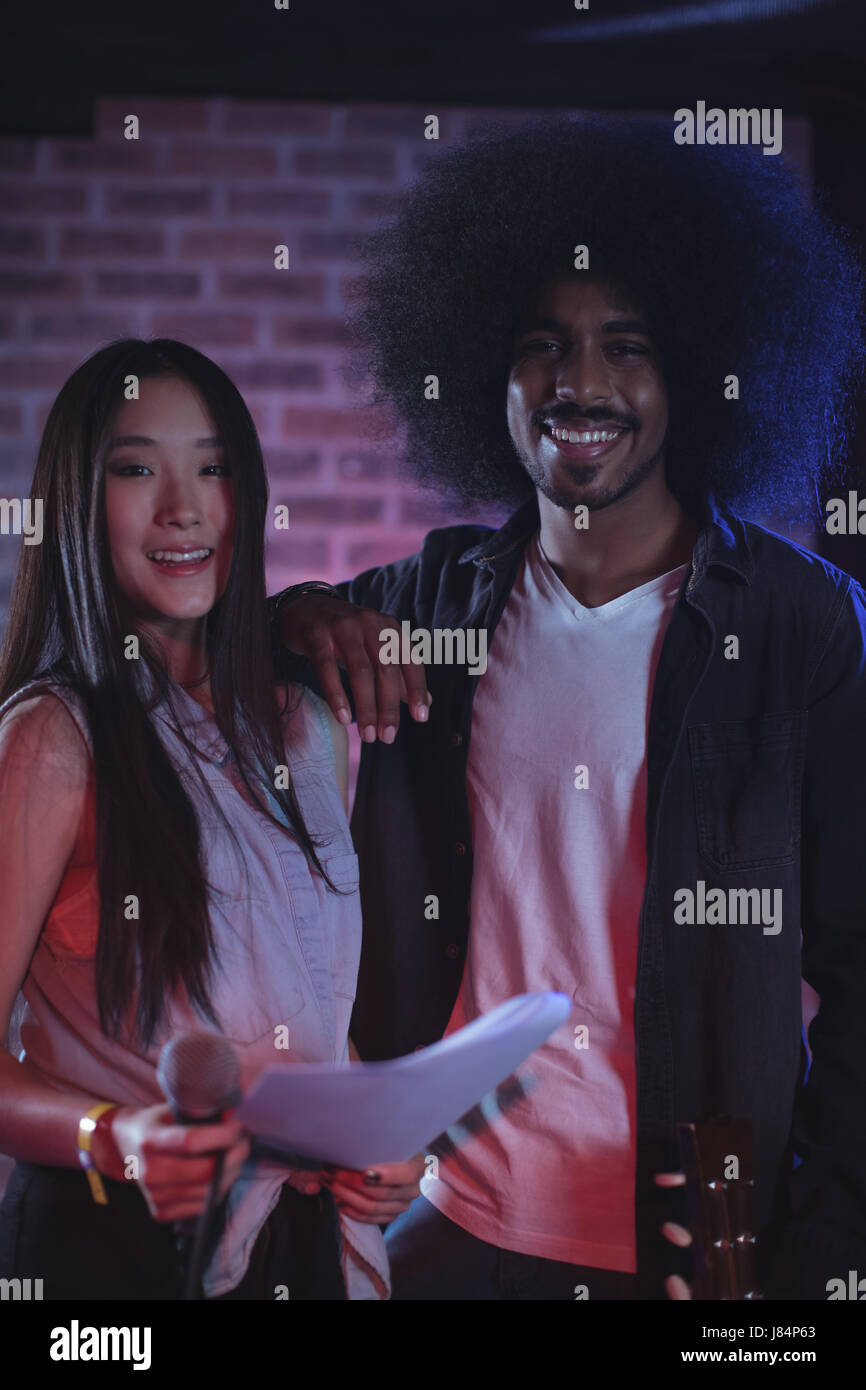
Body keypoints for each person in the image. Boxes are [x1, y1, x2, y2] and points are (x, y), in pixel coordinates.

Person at [271, 117, 866, 1300]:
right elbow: (212, 638)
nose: (579, 383)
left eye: (624, 346)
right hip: (443, 1226)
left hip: (691, 1260)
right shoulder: (434, 598)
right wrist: (296, 616)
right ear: (487, 371)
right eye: (542, 345)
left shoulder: (805, 629)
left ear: (692, 370)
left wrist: (816, 1245)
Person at [0, 338, 423, 1301]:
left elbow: (309, 1009)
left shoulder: (304, 727)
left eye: (214, 467)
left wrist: (372, 1143)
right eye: (137, 468)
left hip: (299, 1248)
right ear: (78, 500)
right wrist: (112, 1136)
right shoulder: (51, 741)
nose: (183, 506)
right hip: (110, 1253)